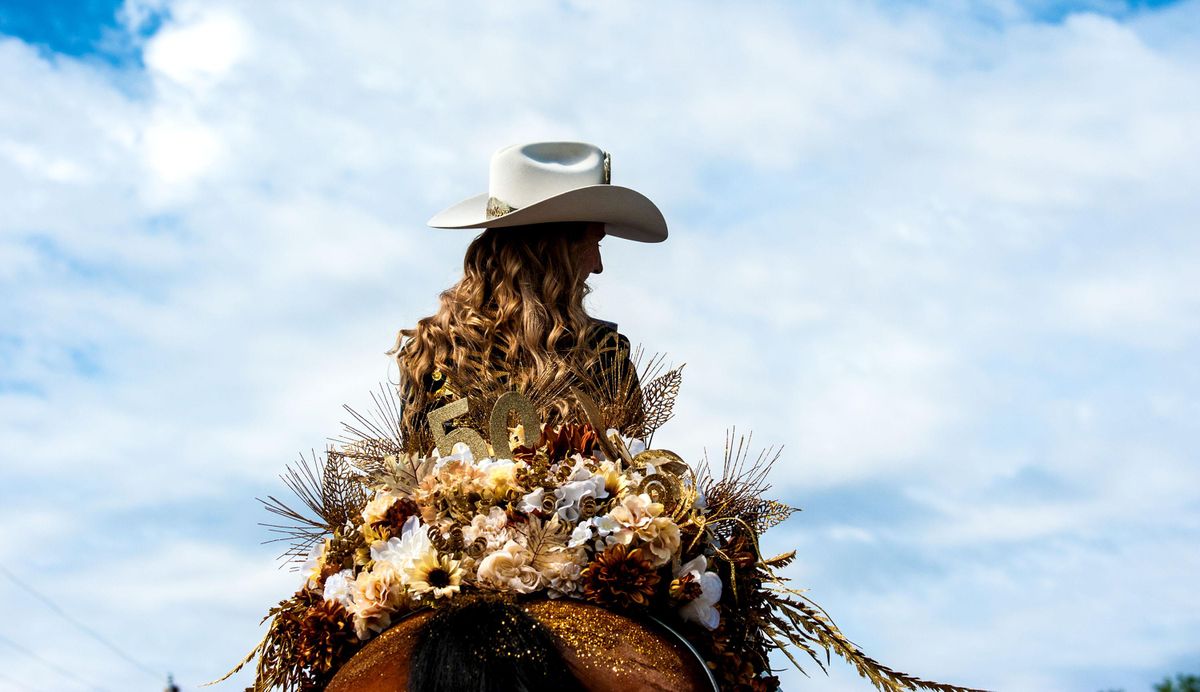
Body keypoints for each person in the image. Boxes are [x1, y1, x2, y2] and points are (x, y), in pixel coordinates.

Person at [388, 141, 668, 451]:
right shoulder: (604, 358)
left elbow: (637, 481)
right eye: (594, 244)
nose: (598, 267)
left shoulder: (430, 354)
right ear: (554, 252)